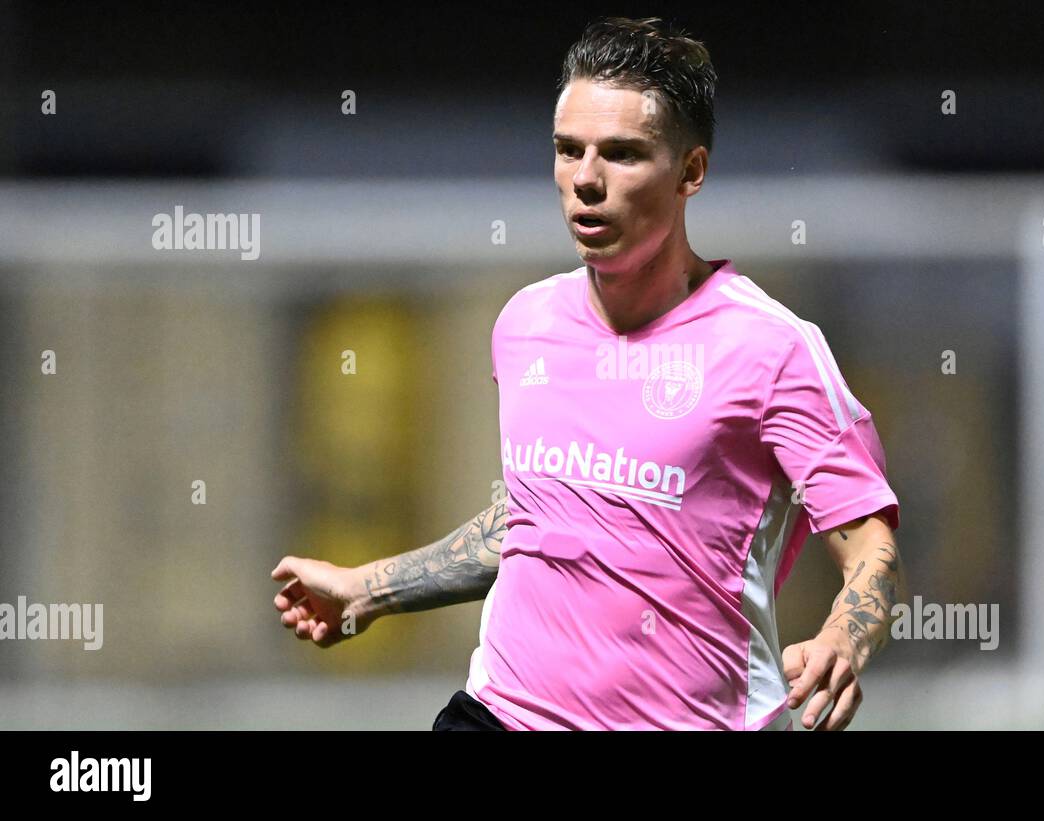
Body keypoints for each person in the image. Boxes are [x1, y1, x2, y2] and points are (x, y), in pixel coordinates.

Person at [272, 16, 902, 731]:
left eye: (622, 154)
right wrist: (367, 589)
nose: (586, 181)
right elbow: (539, 516)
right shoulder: (524, 323)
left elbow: (871, 546)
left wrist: (842, 639)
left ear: (692, 170)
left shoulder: (772, 349)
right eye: (568, 151)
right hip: (502, 716)